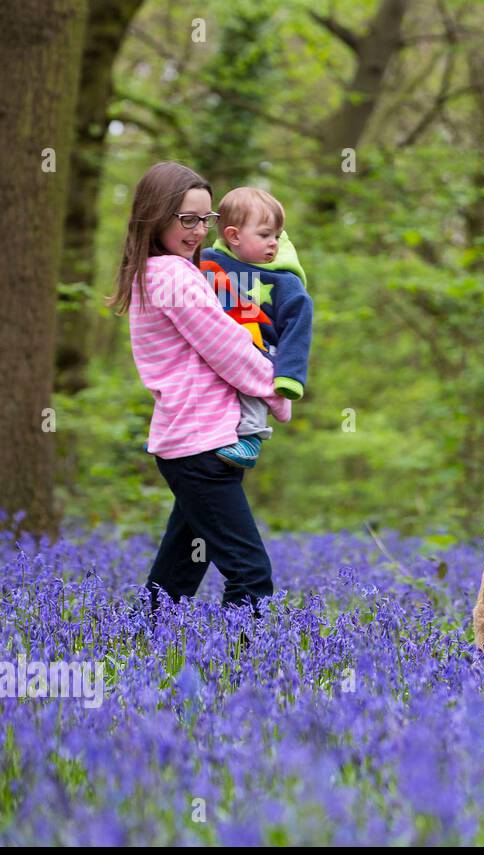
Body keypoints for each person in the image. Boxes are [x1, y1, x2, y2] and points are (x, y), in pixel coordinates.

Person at [109, 161, 291, 612]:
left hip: (192, 442)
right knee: (250, 574)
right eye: (185, 218)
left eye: (205, 219)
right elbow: (226, 346)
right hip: (200, 446)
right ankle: (243, 677)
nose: (197, 230)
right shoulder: (170, 275)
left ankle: (141, 656)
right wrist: (278, 391)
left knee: (178, 571)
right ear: (156, 216)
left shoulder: (161, 272)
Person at [200, 187, 314, 469]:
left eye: (276, 236)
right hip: (213, 346)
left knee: (252, 380)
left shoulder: (285, 282)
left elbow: (298, 327)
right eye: (264, 235)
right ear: (234, 235)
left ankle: (251, 436)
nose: (273, 243)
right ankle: (182, 436)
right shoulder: (207, 263)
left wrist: (290, 375)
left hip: (260, 346)